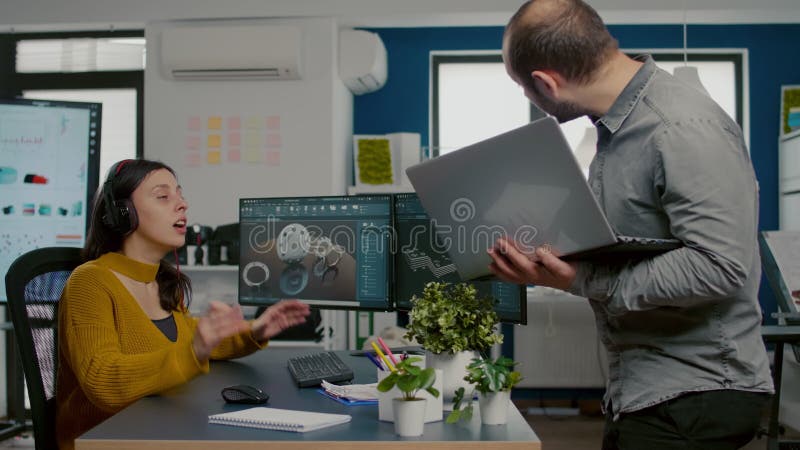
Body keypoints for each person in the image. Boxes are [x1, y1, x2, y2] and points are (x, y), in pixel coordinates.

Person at [490, 1, 773, 449]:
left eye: (524, 88)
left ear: (545, 81)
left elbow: (720, 264)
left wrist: (581, 279)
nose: (529, 99)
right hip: (646, 391)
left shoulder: (678, 125)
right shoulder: (617, 132)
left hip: (695, 394)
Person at [56, 159, 310, 450]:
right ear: (122, 214)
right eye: (163, 196)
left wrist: (256, 330)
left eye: (180, 194)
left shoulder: (163, 282)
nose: (182, 204)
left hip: (161, 427)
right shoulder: (89, 282)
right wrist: (193, 351)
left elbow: (193, 336)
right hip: (108, 440)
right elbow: (101, 378)